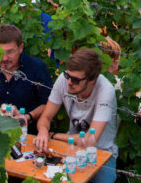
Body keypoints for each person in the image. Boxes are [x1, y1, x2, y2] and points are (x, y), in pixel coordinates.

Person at [35, 48, 118, 183]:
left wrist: (54, 136)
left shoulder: (105, 90)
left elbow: (90, 140)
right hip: (71, 147)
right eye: (68, 76)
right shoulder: (65, 80)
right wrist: (43, 131)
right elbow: (45, 117)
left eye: (75, 80)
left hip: (100, 152)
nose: (69, 82)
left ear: (92, 80)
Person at [0, 25, 52, 133]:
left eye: (10, 52)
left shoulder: (36, 67)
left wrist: (28, 117)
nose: (4, 58)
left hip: (26, 135)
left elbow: (49, 103)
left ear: (21, 48)